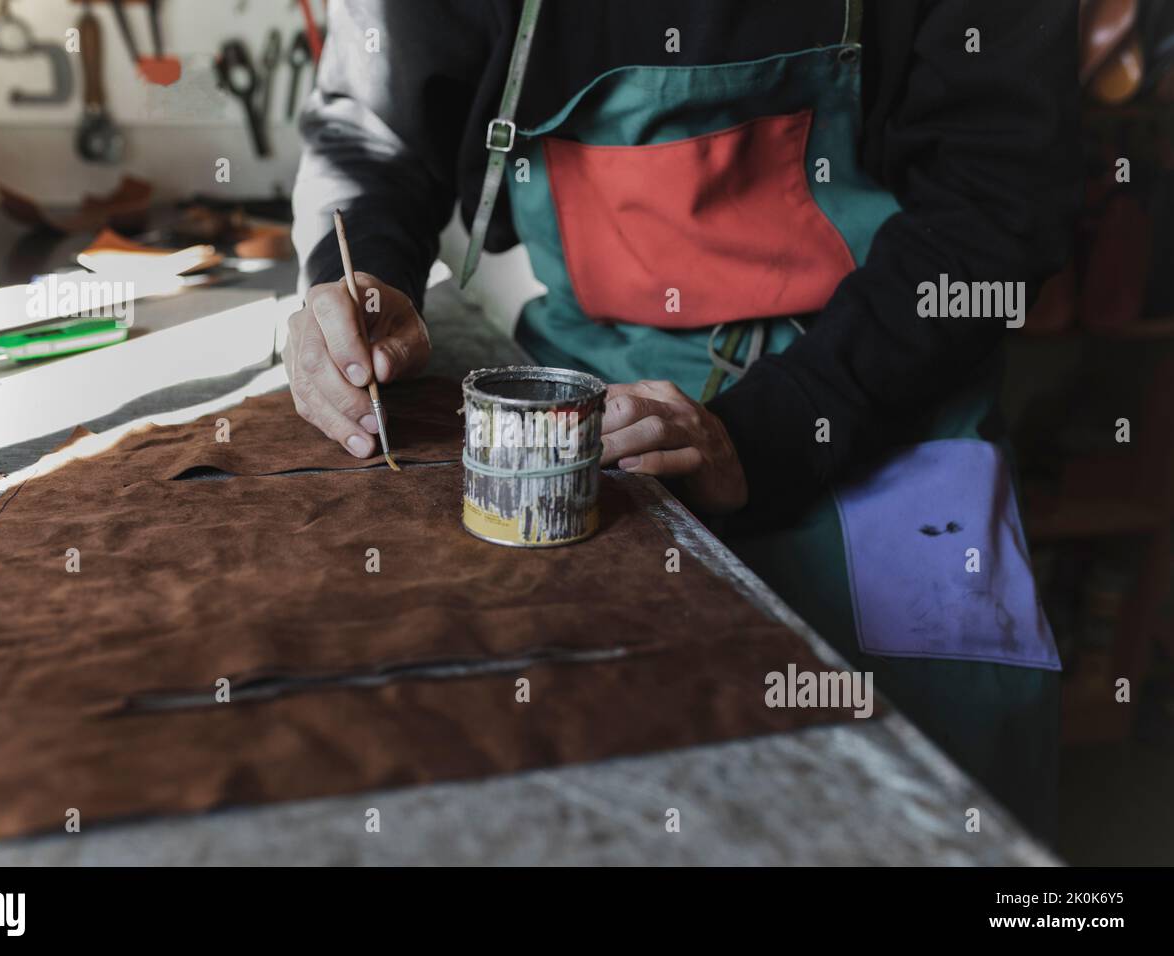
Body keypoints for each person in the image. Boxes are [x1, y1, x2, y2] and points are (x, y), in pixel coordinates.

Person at [286, 0, 1081, 840]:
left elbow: (1000, 205)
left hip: (887, 385)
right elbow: (374, 129)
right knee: (575, 780)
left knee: (929, 812)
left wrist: (779, 425)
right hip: (597, 397)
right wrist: (358, 279)